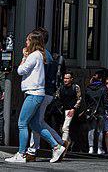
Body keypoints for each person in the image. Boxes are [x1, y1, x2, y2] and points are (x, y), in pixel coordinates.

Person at [1, 30, 67, 163]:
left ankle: (21, 153)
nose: (25, 42)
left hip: (33, 93)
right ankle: (57, 146)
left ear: (33, 42)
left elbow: (20, 71)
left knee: (22, 123)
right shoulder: (40, 55)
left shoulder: (33, 56)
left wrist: (24, 57)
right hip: (38, 93)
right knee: (36, 124)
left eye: (27, 40)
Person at [25, 27, 64, 162]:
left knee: (36, 122)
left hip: (41, 92)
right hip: (47, 92)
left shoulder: (40, 55)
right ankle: (60, 142)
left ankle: (34, 150)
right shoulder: (45, 54)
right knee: (38, 122)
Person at [83, 70, 108, 154]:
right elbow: (105, 101)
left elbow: (86, 101)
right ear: (101, 79)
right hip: (100, 111)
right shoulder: (103, 88)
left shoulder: (88, 88)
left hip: (91, 111)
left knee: (91, 130)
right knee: (100, 130)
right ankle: (99, 148)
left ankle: (90, 148)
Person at [56, 72, 82, 145]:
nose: (65, 80)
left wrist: (73, 109)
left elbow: (79, 99)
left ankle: (62, 145)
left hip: (71, 111)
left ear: (71, 79)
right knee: (62, 129)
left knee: (65, 128)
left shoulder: (75, 87)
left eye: (67, 78)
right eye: (64, 78)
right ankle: (68, 143)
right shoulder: (61, 87)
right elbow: (57, 97)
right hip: (62, 111)